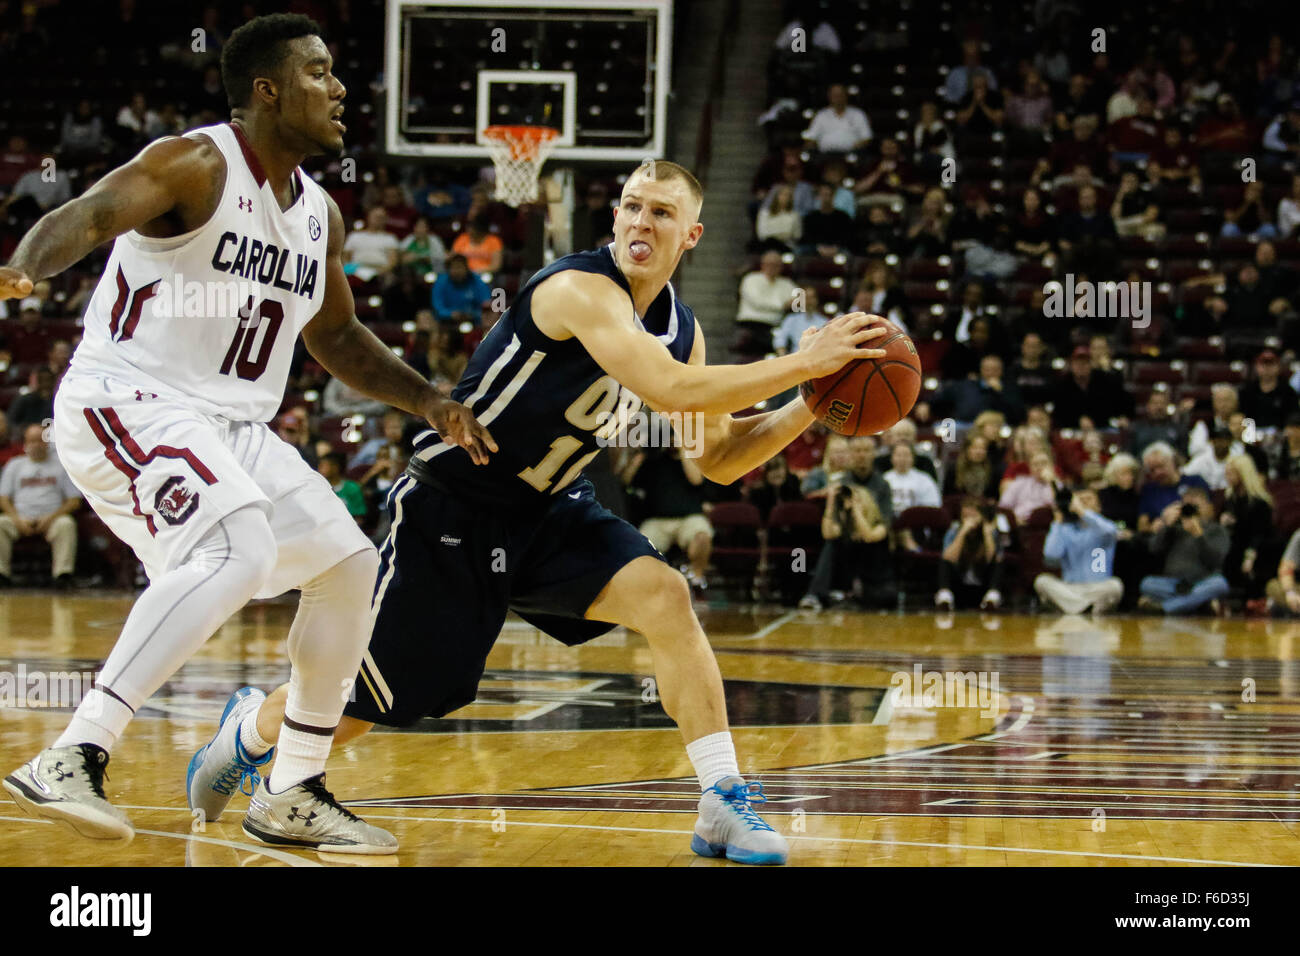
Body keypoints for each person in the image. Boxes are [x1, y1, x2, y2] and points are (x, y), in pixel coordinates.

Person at [221, 158, 889, 866]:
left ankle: (721, 800)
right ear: (614, 216)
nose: (641, 221)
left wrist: (809, 406)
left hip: (549, 509)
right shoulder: (580, 289)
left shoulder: (681, 328)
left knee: (665, 596)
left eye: (661, 213)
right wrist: (803, 363)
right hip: (458, 504)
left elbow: (717, 458)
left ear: (691, 235)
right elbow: (668, 384)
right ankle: (251, 732)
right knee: (388, 696)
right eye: (632, 205)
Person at [0, 14, 493, 852]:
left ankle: (292, 788)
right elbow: (87, 217)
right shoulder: (194, 163)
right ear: (267, 89)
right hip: (131, 396)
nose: (339, 88)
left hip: (234, 425)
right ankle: (74, 751)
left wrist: (430, 401)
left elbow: (335, 338)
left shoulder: (322, 217)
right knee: (241, 549)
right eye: (318, 72)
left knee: (349, 568)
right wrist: (22, 265)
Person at [625, 440, 714, 592]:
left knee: (702, 537)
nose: (672, 439)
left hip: (689, 518)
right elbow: (626, 482)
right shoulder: (653, 460)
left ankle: (697, 579)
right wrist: (640, 454)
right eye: (669, 435)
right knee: (637, 548)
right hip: (657, 520)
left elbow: (696, 480)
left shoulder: (693, 458)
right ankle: (645, 586)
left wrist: (683, 448)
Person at [0, 423, 81, 587]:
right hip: (19, 519)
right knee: (0, 523)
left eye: (39, 441)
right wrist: (17, 520)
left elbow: (74, 501)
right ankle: (2, 574)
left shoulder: (61, 466)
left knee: (66, 524)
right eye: (31, 441)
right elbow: (3, 499)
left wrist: (50, 519)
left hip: (52, 519)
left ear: (47, 442)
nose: (35, 445)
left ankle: (62, 576)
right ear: (25, 444)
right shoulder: (14, 465)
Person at [797, 477, 891, 611]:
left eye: (857, 499)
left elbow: (868, 536)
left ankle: (846, 595)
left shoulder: (880, 524)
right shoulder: (844, 523)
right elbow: (828, 534)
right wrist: (830, 503)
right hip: (849, 575)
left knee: (884, 596)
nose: (851, 502)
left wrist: (857, 511)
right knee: (831, 544)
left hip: (875, 578)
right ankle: (814, 594)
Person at [1138, 487, 1230, 615]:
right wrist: (1167, 525)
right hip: (1173, 584)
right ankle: (1198, 604)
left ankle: (1165, 607)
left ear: (1209, 507)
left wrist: (1198, 535)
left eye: (1196, 507)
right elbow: (1154, 548)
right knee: (1146, 584)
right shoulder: (1174, 529)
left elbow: (1215, 561)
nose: (1192, 512)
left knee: (1220, 584)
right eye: (1188, 507)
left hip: (1202, 582)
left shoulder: (1217, 530)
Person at [1034, 488, 1124, 614]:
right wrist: (1058, 521)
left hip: (1098, 587)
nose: (1084, 503)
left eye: (1089, 499)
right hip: (1070, 588)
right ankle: (1085, 608)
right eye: (1080, 500)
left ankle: (1073, 608)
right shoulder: (1064, 529)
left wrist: (1082, 512)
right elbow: (1051, 556)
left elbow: (1110, 531)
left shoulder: (1103, 529)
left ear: (1098, 507)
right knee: (1042, 581)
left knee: (1115, 586)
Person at [935, 497, 1005, 610]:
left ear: (982, 517)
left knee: (998, 562)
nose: (969, 521)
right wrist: (962, 532)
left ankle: (992, 598)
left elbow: (990, 559)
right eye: (965, 516)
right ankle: (945, 597)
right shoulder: (954, 531)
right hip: (960, 586)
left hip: (982, 586)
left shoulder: (992, 533)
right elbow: (948, 558)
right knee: (944, 559)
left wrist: (987, 534)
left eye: (973, 516)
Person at [1220, 453, 1274, 600]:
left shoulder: (1259, 503)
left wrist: (1250, 557)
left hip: (1255, 549)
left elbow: (1260, 533)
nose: (1228, 477)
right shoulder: (1230, 499)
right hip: (1233, 546)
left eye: (1231, 473)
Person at [999, 449, 1060, 524]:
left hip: (1046, 526)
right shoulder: (1020, 483)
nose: (1039, 467)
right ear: (1030, 467)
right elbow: (1004, 505)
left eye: (1043, 463)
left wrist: (1051, 482)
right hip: (1021, 525)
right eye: (1036, 464)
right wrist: (1014, 519)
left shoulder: (1057, 485)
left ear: (1051, 466)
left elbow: (1057, 507)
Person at [431, 253, 492, 324]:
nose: (457, 271)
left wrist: (475, 314)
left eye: (460, 267)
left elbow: (486, 302)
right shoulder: (440, 281)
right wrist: (450, 314)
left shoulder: (476, 280)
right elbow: (437, 307)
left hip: (474, 319)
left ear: (466, 269)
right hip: (447, 321)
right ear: (448, 270)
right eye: (453, 268)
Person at [317, 450, 365, 526]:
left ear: (335, 468)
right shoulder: (317, 488)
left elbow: (358, 518)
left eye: (323, 466)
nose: (319, 469)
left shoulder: (352, 488)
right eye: (319, 465)